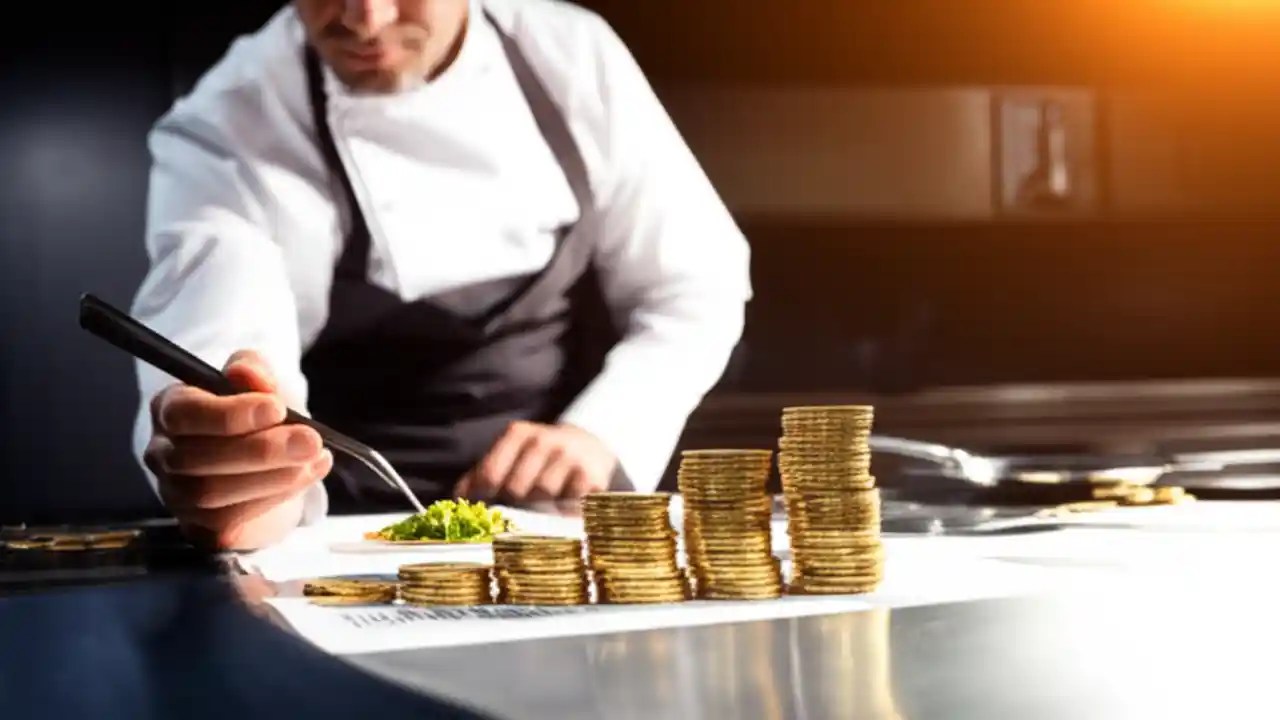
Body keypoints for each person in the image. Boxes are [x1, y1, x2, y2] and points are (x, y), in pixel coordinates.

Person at [129, 0, 751, 551]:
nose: (364, 18)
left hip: (558, 528)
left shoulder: (572, 55)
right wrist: (245, 482)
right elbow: (224, 351)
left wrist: (603, 430)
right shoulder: (229, 128)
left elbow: (696, 286)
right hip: (347, 539)